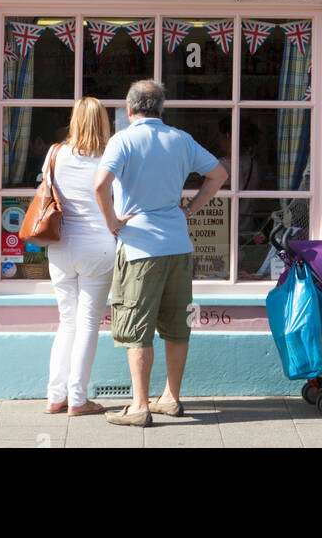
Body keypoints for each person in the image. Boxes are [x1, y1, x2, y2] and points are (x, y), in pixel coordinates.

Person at [95, 79, 227, 427]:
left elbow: (100, 184)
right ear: (161, 108)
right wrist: (191, 209)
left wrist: (112, 220)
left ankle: (139, 405)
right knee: (177, 326)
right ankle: (170, 397)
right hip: (178, 245)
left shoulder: (122, 140)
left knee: (138, 327)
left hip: (139, 247)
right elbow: (218, 174)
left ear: (129, 108)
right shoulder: (180, 139)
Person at [43, 97, 117, 417]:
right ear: (103, 122)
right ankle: (77, 398)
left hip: (61, 244)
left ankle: (54, 395)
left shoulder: (55, 153)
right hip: (99, 245)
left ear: (74, 121)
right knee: (88, 324)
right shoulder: (110, 156)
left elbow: (47, 191)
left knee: (66, 322)